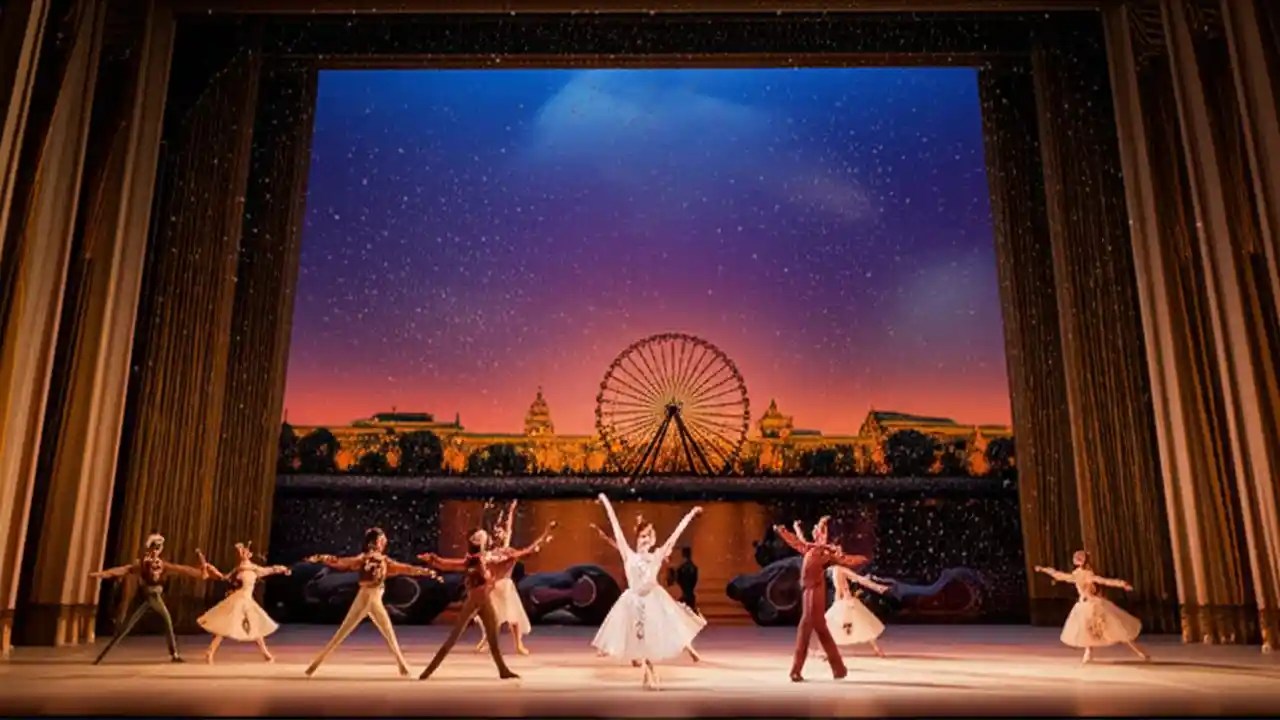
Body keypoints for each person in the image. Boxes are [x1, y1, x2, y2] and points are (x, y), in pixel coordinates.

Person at [591, 494, 705, 690]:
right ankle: (650, 674)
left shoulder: (657, 555)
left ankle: (651, 674)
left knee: (654, 636)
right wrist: (605, 501)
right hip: (633, 601)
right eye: (642, 536)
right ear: (637, 539)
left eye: (648, 536)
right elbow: (615, 525)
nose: (645, 540)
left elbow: (676, 534)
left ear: (652, 540)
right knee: (640, 638)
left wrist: (691, 513)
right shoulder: (629, 554)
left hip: (653, 599)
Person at [417, 522, 556, 680]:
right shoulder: (475, 559)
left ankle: (503, 670)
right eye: (483, 538)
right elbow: (449, 564)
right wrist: (434, 560)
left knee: (493, 640)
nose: (487, 539)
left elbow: (526, 551)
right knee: (453, 638)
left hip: (485, 602)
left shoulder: (482, 558)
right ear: (478, 542)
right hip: (475, 602)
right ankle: (428, 671)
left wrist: (544, 534)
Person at [303, 527, 441, 677]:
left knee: (366, 632)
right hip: (367, 596)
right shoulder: (368, 559)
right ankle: (402, 666)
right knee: (380, 632)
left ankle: (402, 666)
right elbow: (340, 562)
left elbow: (406, 569)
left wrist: (427, 572)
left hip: (370, 596)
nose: (383, 543)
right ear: (375, 542)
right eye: (381, 540)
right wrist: (320, 558)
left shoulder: (377, 560)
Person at [89, 531, 213, 664]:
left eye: (159, 548)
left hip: (152, 595)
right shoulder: (143, 563)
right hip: (149, 595)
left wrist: (199, 573)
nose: (157, 550)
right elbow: (124, 570)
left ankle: (174, 654)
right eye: (155, 547)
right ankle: (174, 654)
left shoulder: (160, 563)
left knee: (141, 624)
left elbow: (181, 569)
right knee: (155, 622)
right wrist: (101, 574)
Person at [772, 516, 870, 682]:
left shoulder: (827, 553)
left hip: (814, 592)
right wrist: (783, 532)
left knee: (805, 628)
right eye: (817, 528)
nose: (817, 531)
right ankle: (838, 669)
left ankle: (797, 670)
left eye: (821, 530)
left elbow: (846, 560)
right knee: (821, 631)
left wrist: (861, 558)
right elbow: (796, 542)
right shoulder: (810, 548)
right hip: (808, 591)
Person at [1035, 550, 1150, 664]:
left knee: (1115, 628)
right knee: (1087, 630)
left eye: (1077, 559)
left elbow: (1103, 581)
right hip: (1085, 605)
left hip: (1093, 605)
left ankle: (1139, 651)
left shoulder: (1086, 574)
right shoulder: (1077, 574)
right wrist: (1044, 569)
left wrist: (1121, 584)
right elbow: (1059, 575)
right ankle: (1088, 653)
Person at [197, 541, 291, 663]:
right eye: (242, 552)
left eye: (246, 551)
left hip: (247, 601)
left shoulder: (255, 569)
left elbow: (271, 569)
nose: (243, 552)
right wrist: (211, 569)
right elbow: (224, 578)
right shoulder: (238, 569)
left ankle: (266, 654)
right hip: (237, 600)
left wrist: (283, 569)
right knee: (226, 626)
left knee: (255, 625)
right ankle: (210, 651)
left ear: (250, 554)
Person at [474, 500, 534, 656]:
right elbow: (481, 533)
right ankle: (486, 639)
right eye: (497, 532)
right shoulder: (489, 551)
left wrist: (511, 510)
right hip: (492, 587)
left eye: (502, 532)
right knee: (488, 615)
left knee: (513, 617)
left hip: (506, 587)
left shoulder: (507, 550)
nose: (500, 533)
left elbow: (509, 529)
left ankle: (518, 644)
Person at [668, 546, 699, 614]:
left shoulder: (681, 568)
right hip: (690, 595)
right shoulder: (694, 568)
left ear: (683, 555)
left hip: (684, 594)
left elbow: (676, 580)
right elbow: (694, 580)